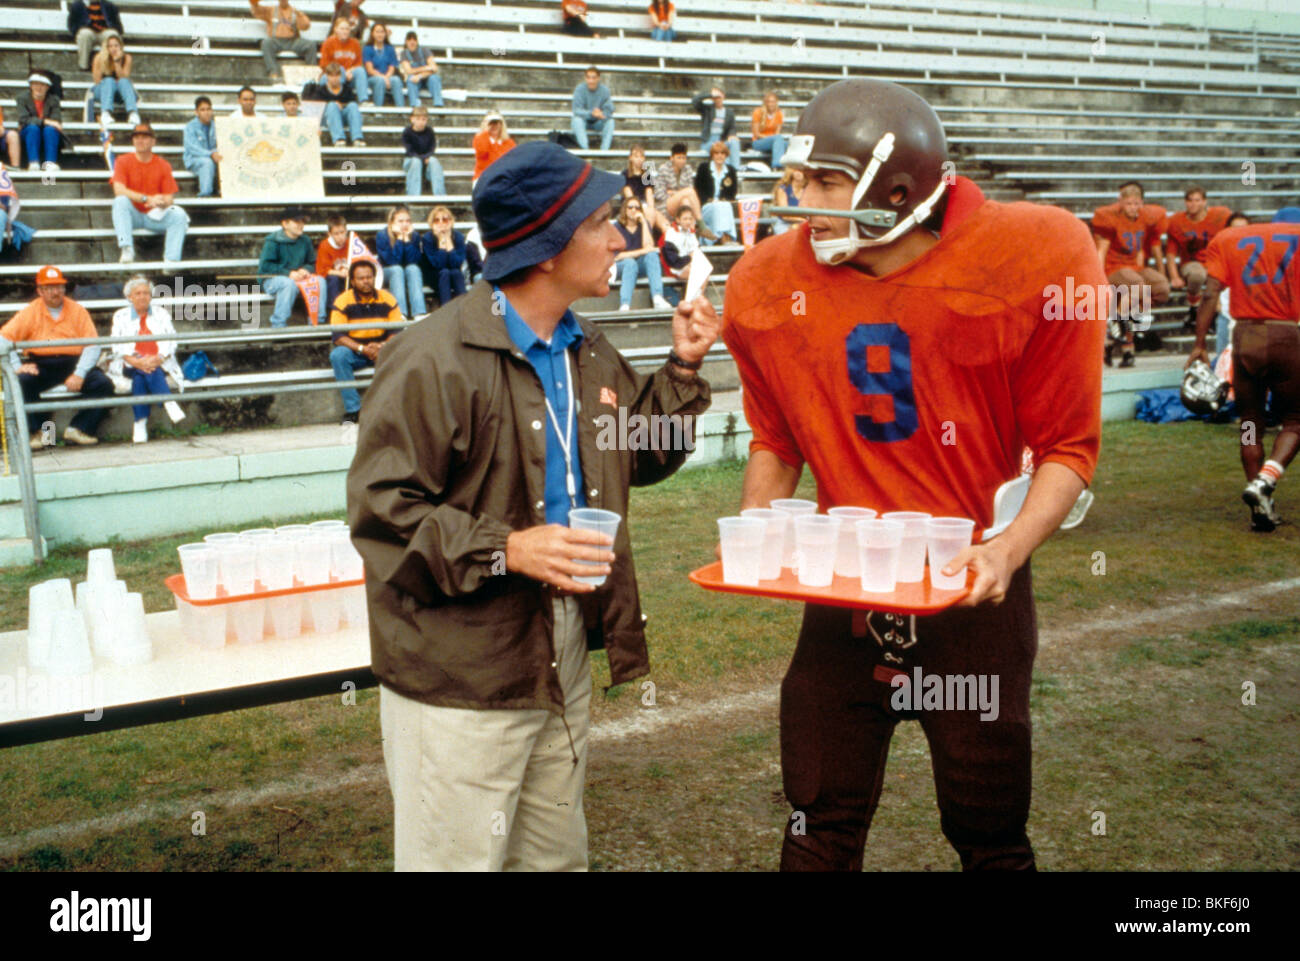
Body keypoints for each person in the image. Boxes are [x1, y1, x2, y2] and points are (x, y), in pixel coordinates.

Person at [723, 78, 1104, 872]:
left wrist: (1005, 551)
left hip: (971, 596)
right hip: (849, 591)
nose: (803, 202)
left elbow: (1069, 448)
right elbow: (777, 437)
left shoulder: (1031, 253)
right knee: (817, 817)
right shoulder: (769, 280)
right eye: (801, 178)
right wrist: (758, 527)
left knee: (990, 829)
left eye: (826, 183)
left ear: (898, 193)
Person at [346, 140, 717, 871]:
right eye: (601, 222)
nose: (620, 238)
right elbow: (381, 510)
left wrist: (683, 368)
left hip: (561, 647)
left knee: (553, 861)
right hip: (463, 671)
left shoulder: (588, 348)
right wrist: (507, 548)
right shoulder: (431, 357)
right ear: (547, 247)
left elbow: (635, 452)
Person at [1187, 207, 1300, 533]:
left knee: (1250, 421)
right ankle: (1267, 479)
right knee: (1295, 419)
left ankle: (1259, 504)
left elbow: (1209, 292)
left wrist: (1198, 345)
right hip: (1284, 335)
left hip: (1245, 337)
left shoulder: (1229, 237)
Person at [0, 265, 114, 449]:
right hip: (41, 363)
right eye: (49, 288)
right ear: (40, 291)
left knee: (103, 384)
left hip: (72, 363)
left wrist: (80, 373)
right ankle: (37, 433)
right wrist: (16, 366)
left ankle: (79, 429)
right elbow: (2, 340)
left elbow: (93, 346)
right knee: (21, 381)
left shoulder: (77, 310)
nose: (56, 292)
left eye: (59, 287)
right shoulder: (30, 311)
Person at [1091, 181, 1168, 368]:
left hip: (1133, 268)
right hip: (1113, 268)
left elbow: (1142, 246)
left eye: (1136, 203)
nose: (1133, 208)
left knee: (1161, 288)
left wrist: (1149, 268)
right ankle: (1125, 343)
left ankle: (1113, 336)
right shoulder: (1109, 218)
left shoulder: (1147, 217)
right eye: (1129, 204)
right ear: (1121, 203)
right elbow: (1101, 249)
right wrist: (1099, 278)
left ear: (1142, 203)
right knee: (1136, 286)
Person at [109, 274, 184, 443]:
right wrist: (136, 361)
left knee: (141, 377)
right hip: (130, 363)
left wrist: (159, 357)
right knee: (143, 371)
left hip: (158, 362)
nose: (143, 296)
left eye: (146, 293)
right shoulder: (120, 316)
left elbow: (171, 339)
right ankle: (168, 401)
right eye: (138, 293)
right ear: (129, 297)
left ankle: (140, 424)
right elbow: (116, 345)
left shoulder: (161, 313)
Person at [329, 258, 401, 425]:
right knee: (338, 356)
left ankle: (388, 409)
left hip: (382, 348)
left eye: (369, 277)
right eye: (361, 278)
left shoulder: (387, 298)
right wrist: (362, 349)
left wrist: (382, 346)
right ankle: (354, 410)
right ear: (352, 281)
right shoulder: (343, 300)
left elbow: (397, 330)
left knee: (400, 352)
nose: (366, 281)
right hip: (356, 350)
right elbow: (338, 336)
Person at [110, 122, 188, 265]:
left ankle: (171, 260)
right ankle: (126, 247)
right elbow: (118, 190)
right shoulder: (122, 160)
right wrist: (146, 198)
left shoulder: (163, 164)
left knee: (179, 214)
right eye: (137, 137)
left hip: (154, 215)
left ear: (153, 141)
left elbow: (169, 199)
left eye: (145, 137)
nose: (140, 141)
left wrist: (160, 201)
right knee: (120, 201)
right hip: (132, 215)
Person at [1164, 185, 1233, 330]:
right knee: (1197, 275)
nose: (1193, 204)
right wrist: (1174, 276)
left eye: (1197, 200)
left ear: (1205, 202)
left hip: (1214, 261)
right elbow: (1170, 254)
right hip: (1191, 263)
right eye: (1190, 201)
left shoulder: (1219, 216)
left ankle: (1215, 313)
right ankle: (1194, 307)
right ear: (1185, 202)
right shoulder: (1177, 222)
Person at [259, 205, 326, 327]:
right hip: (273, 279)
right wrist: (288, 274)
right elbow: (266, 266)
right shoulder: (273, 241)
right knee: (288, 284)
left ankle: (317, 322)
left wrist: (305, 270)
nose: (301, 225)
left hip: (298, 279)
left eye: (303, 221)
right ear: (285, 224)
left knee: (320, 281)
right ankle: (278, 325)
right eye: (296, 221)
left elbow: (312, 262)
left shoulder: (305, 240)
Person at [612, 197, 671, 312]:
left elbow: (648, 247)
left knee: (652, 255)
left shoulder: (644, 225)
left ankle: (657, 297)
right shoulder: (617, 227)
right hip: (621, 266)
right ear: (624, 209)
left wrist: (644, 222)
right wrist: (641, 252)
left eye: (637, 207)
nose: (634, 210)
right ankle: (625, 304)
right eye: (630, 207)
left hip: (639, 266)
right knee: (630, 263)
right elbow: (617, 256)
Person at [419, 206, 481, 306]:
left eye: (445, 220)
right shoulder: (427, 238)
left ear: (451, 222)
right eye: (436, 220)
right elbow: (438, 264)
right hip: (433, 275)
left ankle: (464, 308)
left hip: (452, 272)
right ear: (432, 224)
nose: (441, 223)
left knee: (456, 272)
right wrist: (441, 243)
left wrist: (448, 241)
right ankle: (446, 310)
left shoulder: (458, 237)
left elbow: (456, 263)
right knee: (445, 272)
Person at [375, 204, 426, 320]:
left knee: (413, 268)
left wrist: (407, 240)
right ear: (392, 222)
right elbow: (391, 261)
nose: (405, 224)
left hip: (405, 270)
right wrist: (398, 238)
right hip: (387, 271)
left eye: (408, 221)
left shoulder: (414, 235)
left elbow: (414, 260)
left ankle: (419, 313)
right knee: (397, 270)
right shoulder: (382, 235)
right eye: (400, 221)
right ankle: (399, 313)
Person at [249, 0, 315, 81]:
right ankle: (273, 72)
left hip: (292, 41)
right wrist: (254, 3)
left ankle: (312, 73)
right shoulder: (271, 10)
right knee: (266, 43)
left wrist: (300, 15)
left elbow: (306, 26)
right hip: (276, 41)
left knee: (310, 45)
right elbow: (257, 11)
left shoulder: (294, 11)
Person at [652, 141, 705, 236]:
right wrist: (676, 195)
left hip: (680, 204)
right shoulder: (663, 169)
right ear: (672, 158)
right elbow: (659, 193)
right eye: (679, 158)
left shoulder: (688, 169)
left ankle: (690, 235)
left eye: (684, 158)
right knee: (689, 192)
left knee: (686, 201)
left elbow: (689, 192)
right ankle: (702, 224)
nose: (682, 160)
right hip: (665, 205)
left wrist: (675, 193)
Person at [307, 63, 365, 146]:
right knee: (332, 106)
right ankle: (339, 139)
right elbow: (315, 109)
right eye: (331, 75)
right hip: (327, 119)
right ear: (327, 76)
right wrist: (331, 105)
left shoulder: (346, 89)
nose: (334, 78)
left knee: (353, 106)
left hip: (343, 117)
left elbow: (353, 103)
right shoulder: (320, 90)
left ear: (340, 76)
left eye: (336, 75)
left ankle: (357, 138)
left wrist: (342, 105)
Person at [16, 73, 64, 172]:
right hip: (28, 131)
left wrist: (47, 123)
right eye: (36, 84)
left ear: (47, 87)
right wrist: (45, 121)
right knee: (33, 128)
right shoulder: (22, 98)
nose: (39, 88)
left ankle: (50, 163)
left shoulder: (53, 100)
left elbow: (56, 120)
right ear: (31, 86)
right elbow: (24, 119)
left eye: (42, 85)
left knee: (50, 129)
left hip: (47, 132)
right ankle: (33, 162)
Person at [91, 34, 139, 126]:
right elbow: (97, 80)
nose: (113, 48)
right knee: (109, 80)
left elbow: (124, 77)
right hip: (102, 91)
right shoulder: (98, 57)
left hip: (120, 92)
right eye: (110, 46)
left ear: (121, 47)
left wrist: (117, 62)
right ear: (106, 48)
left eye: (116, 45)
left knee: (124, 81)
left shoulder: (127, 58)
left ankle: (133, 113)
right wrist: (104, 61)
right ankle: (105, 113)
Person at [695, 141, 738, 245]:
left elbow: (732, 193)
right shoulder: (704, 168)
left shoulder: (731, 170)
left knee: (725, 205)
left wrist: (721, 200)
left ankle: (726, 237)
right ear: (712, 155)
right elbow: (698, 191)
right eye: (716, 153)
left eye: (722, 153)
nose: (719, 156)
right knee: (718, 206)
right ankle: (723, 238)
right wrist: (711, 200)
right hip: (706, 206)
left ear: (726, 155)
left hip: (723, 206)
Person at [67, 0, 123, 72]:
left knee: (112, 35)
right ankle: (84, 66)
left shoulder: (109, 5)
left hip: (104, 31)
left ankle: (112, 67)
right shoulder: (78, 5)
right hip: (88, 31)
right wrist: (78, 30)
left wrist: (114, 29)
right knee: (85, 34)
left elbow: (117, 23)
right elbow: (72, 24)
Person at [402, 106, 446, 197]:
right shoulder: (407, 132)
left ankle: (440, 195)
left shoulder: (429, 131)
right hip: (411, 161)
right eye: (418, 119)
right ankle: (413, 196)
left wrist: (428, 157)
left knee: (434, 161)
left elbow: (432, 148)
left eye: (424, 119)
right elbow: (410, 151)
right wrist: (423, 158)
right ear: (412, 119)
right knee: (416, 161)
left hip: (426, 160)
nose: (421, 122)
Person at [691, 86, 740, 168]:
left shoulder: (729, 112)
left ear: (723, 96)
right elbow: (695, 101)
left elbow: (732, 127)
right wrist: (709, 94)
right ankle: (729, 170)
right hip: (709, 141)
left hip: (722, 140)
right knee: (722, 151)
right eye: (715, 97)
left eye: (719, 97)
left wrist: (732, 135)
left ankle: (735, 170)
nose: (717, 99)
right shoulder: (707, 109)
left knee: (735, 142)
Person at [182, 96, 221, 198]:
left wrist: (216, 153)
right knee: (207, 162)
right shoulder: (190, 127)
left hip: (213, 157)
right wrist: (210, 154)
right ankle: (205, 195)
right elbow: (192, 148)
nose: (206, 112)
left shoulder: (216, 125)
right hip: (195, 159)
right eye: (202, 110)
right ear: (196, 112)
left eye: (208, 109)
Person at [319, 16, 367, 98]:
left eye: (347, 29)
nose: (345, 31)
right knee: (325, 78)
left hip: (350, 76)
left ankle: (363, 100)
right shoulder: (328, 42)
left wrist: (349, 71)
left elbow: (358, 64)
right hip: (333, 75)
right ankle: (337, 99)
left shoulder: (355, 43)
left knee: (360, 71)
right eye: (342, 29)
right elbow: (324, 64)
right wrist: (342, 72)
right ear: (336, 29)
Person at [570, 66, 614, 152]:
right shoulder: (579, 89)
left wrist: (602, 114)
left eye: (594, 78)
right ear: (585, 78)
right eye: (588, 78)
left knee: (610, 121)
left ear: (598, 78)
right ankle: (585, 150)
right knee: (576, 120)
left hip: (598, 121)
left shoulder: (605, 90)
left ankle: (604, 151)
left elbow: (609, 109)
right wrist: (592, 113)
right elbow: (576, 110)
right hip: (584, 121)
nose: (591, 81)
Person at [361, 22, 404, 107]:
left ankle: (401, 109)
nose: (379, 34)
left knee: (396, 80)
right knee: (379, 81)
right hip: (372, 78)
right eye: (377, 32)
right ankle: (378, 109)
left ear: (385, 34)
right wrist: (384, 78)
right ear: (372, 33)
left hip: (387, 76)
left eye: (382, 32)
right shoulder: (367, 48)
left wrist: (387, 77)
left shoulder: (390, 48)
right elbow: (370, 70)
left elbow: (392, 67)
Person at [398, 30, 444, 108]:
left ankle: (438, 104)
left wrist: (419, 76)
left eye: (414, 40)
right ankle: (414, 106)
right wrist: (426, 68)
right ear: (406, 42)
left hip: (426, 78)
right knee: (410, 79)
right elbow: (409, 71)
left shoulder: (425, 50)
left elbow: (434, 68)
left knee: (434, 78)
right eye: (409, 40)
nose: (412, 42)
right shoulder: (404, 54)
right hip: (415, 80)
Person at [661, 206, 700, 290]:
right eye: (685, 219)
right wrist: (689, 258)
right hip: (676, 268)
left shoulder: (691, 233)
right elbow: (674, 261)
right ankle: (693, 300)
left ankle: (696, 299)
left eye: (690, 219)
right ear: (678, 220)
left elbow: (696, 253)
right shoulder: (671, 233)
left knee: (704, 272)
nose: (688, 222)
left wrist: (692, 259)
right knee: (697, 274)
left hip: (688, 265)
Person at [317, 212, 352, 307]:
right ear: (329, 234)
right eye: (336, 234)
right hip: (332, 277)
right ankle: (334, 309)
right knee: (334, 280)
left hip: (347, 274)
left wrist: (348, 270)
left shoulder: (351, 243)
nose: (340, 236)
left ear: (346, 231)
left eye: (342, 232)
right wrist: (340, 273)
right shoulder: (325, 245)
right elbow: (323, 270)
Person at [472, 111, 515, 184]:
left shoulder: (509, 143)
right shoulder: (479, 138)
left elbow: (513, 163)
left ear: (501, 125)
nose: (494, 126)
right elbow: (482, 152)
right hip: (483, 179)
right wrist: (485, 131)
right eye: (491, 123)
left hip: (502, 179)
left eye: (496, 123)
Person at [750, 91, 787, 169]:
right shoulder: (757, 112)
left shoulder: (779, 114)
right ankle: (777, 165)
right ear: (765, 103)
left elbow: (777, 133)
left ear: (776, 103)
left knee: (789, 144)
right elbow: (756, 134)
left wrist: (774, 139)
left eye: (773, 102)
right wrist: (770, 138)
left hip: (774, 141)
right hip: (758, 142)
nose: (771, 104)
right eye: (769, 102)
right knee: (778, 139)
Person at [770, 167, 805, 236]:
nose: (799, 173)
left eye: (801, 170)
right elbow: (785, 215)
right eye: (796, 170)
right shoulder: (783, 189)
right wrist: (803, 220)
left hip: (804, 224)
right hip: (785, 224)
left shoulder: (808, 189)